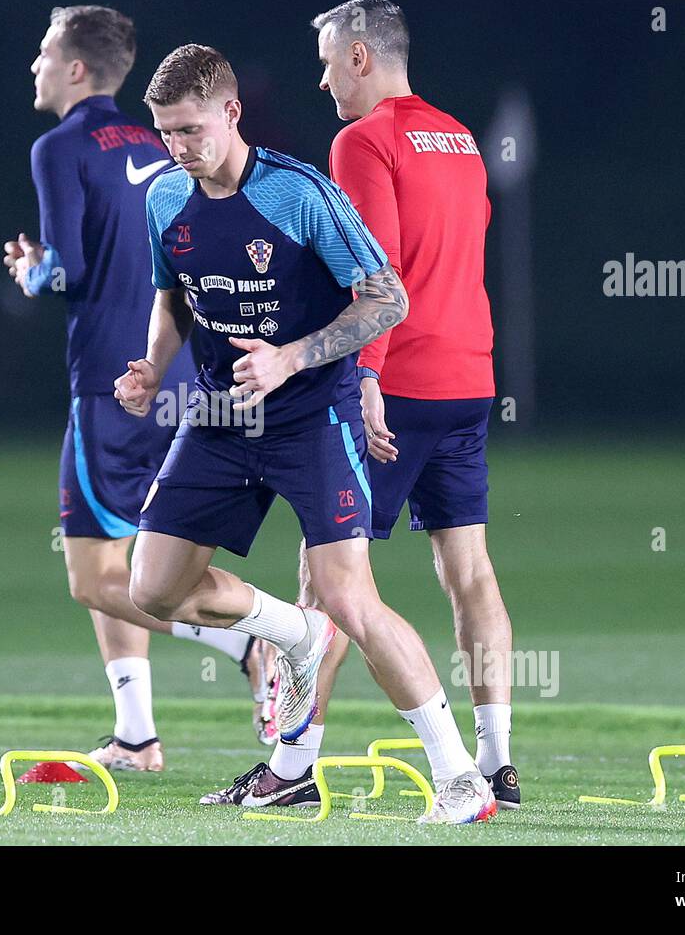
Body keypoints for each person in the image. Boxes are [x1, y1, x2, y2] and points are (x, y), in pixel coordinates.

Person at [114, 43, 496, 823]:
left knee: (351, 599)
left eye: (190, 129)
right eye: (165, 133)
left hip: (312, 417)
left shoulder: (300, 194)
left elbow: (387, 299)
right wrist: (153, 368)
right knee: (151, 588)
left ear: (231, 113)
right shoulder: (163, 200)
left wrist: (291, 358)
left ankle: (461, 779)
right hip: (221, 417)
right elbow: (173, 298)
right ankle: (296, 635)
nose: (178, 148)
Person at [203, 0, 520, 810]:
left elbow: (373, 276)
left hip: (395, 383)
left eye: (325, 61)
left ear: (358, 57)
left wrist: (368, 379)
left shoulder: (363, 141)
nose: (319, 80)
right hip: (470, 377)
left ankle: (290, 767)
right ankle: (496, 763)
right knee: (471, 573)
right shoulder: (458, 136)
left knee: (326, 584)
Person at [3, 7, 277, 773]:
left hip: (113, 383)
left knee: (93, 575)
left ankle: (250, 640)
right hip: (182, 375)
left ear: (77, 70)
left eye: (45, 53)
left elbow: (71, 269)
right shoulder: (159, 145)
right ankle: (134, 734)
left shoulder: (60, 145)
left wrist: (31, 272)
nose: (36, 67)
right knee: (134, 559)